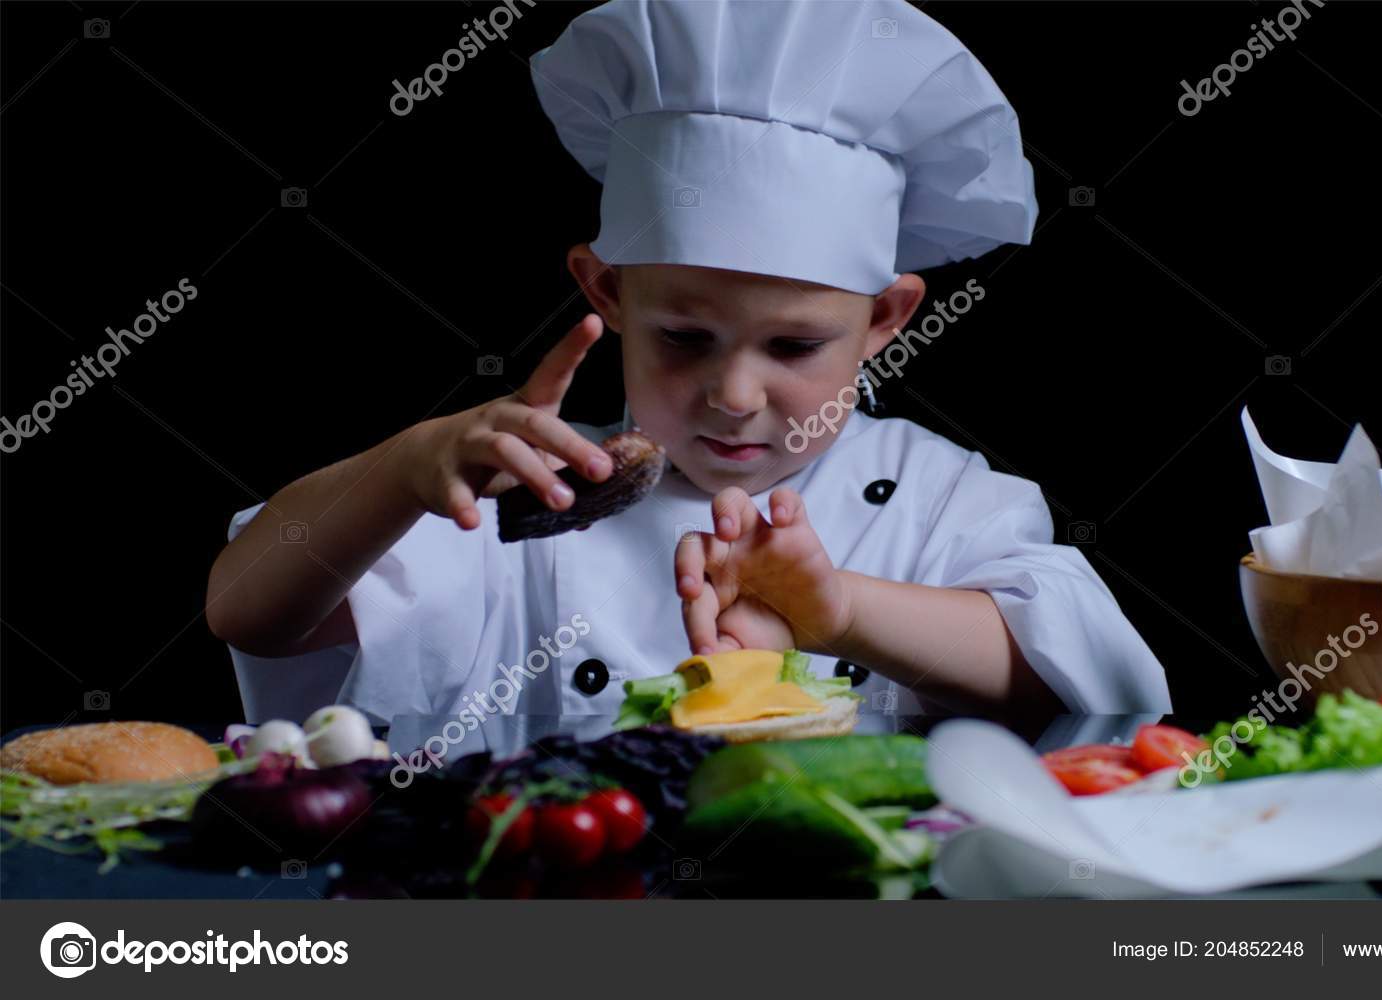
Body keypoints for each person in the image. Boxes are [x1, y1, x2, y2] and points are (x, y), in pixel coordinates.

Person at [206, 0, 1172, 727]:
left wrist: (839, 611)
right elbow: (248, 610)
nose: (735, 395)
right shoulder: (526, 493)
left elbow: (1101, 683)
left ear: (886, 317)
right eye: (684, 339)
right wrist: (405, 470)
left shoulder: (946, 499)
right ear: (606, 293)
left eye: (793, 346)